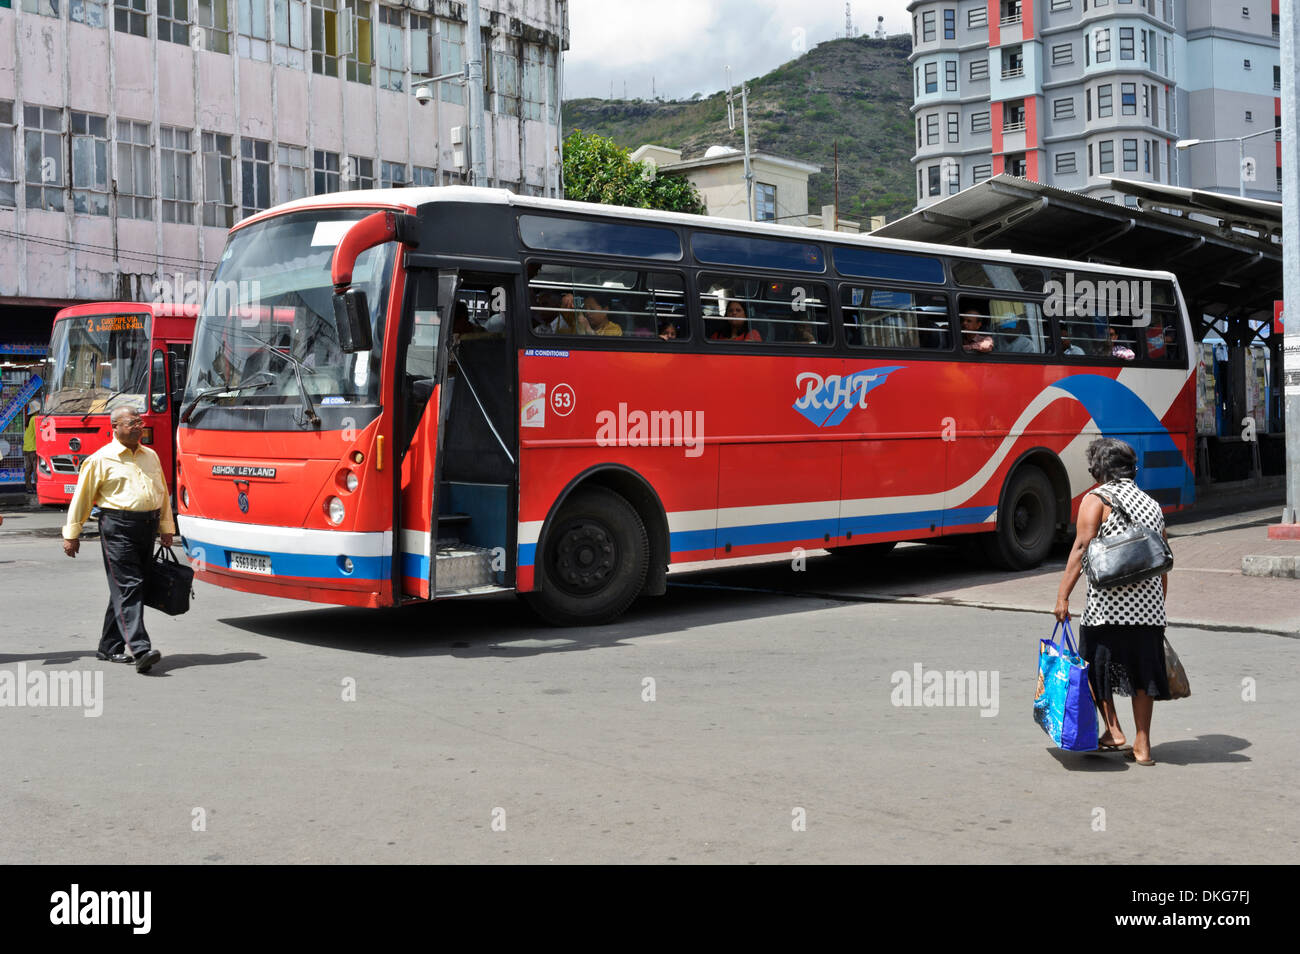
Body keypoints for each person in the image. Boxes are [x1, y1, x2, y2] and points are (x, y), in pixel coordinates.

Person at [1053, 438, 1170, 765]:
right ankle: (1142, 745)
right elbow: (1162, 559)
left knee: (1092, 667)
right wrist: (1160, 604)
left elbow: (1080, 549)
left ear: (1098, 470)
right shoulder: (1151, 504)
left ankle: (1114, 729)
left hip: (1107, 607)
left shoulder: (1096, 499)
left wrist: (1063, 596)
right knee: (1143, 674)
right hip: (1148, 609)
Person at [62, 405, 174, 674]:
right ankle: (140, 648)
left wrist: (166, 527)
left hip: (147, 525)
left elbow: (162, 493)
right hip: (117, 528)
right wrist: (72, 534)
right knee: (129, 585)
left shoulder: (151, 456)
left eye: (139, 421)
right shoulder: (100, 459)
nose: (138, 426)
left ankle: (109, 646)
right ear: (115, 427)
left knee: (131, 587)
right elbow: (83, 498)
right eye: (131, 422)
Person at [23, 400, 39, 494]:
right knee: (36, 469)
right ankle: (38, 487)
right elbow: (37, 433)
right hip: (34, 448)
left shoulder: (28, 419)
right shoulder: (35, 419)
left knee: (28, 469)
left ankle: (28, 487)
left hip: (26, 448)